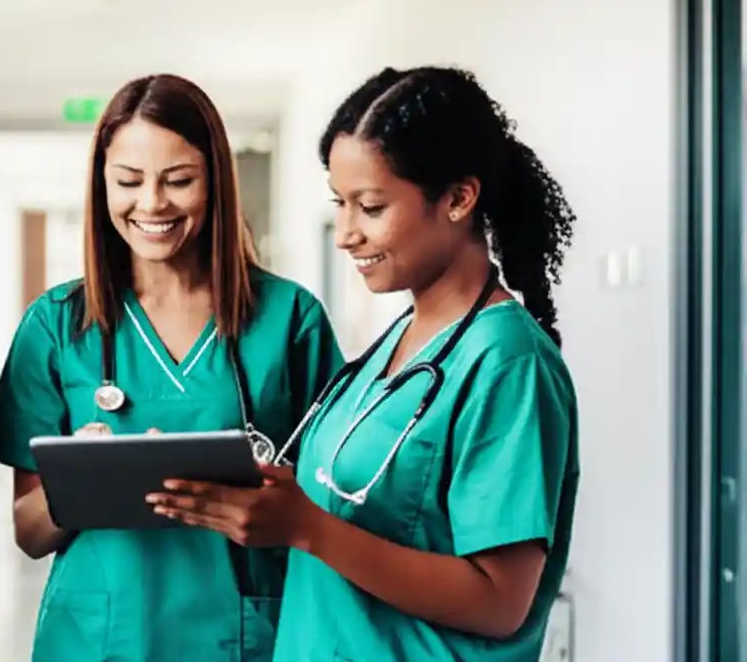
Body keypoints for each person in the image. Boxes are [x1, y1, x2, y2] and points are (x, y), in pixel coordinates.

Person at [147, 66, 580, 661]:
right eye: (340, 204)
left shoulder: (508, 362)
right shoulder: (401, 338)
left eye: (370, 207)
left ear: (458, 198)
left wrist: (307, 528)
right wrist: (272, 493)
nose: (345, 234)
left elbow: (501, 601)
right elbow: (362, 506)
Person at [0, 73, 345, 661]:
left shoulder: (290, 319)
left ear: (215, 182)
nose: (152, 204)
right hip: (98, 640)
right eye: (128, 181)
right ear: (102, 187)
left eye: (179, 180)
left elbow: (333, 505)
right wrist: (80, 478)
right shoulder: (57, 323)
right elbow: (29, 533)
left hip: (241, 637)